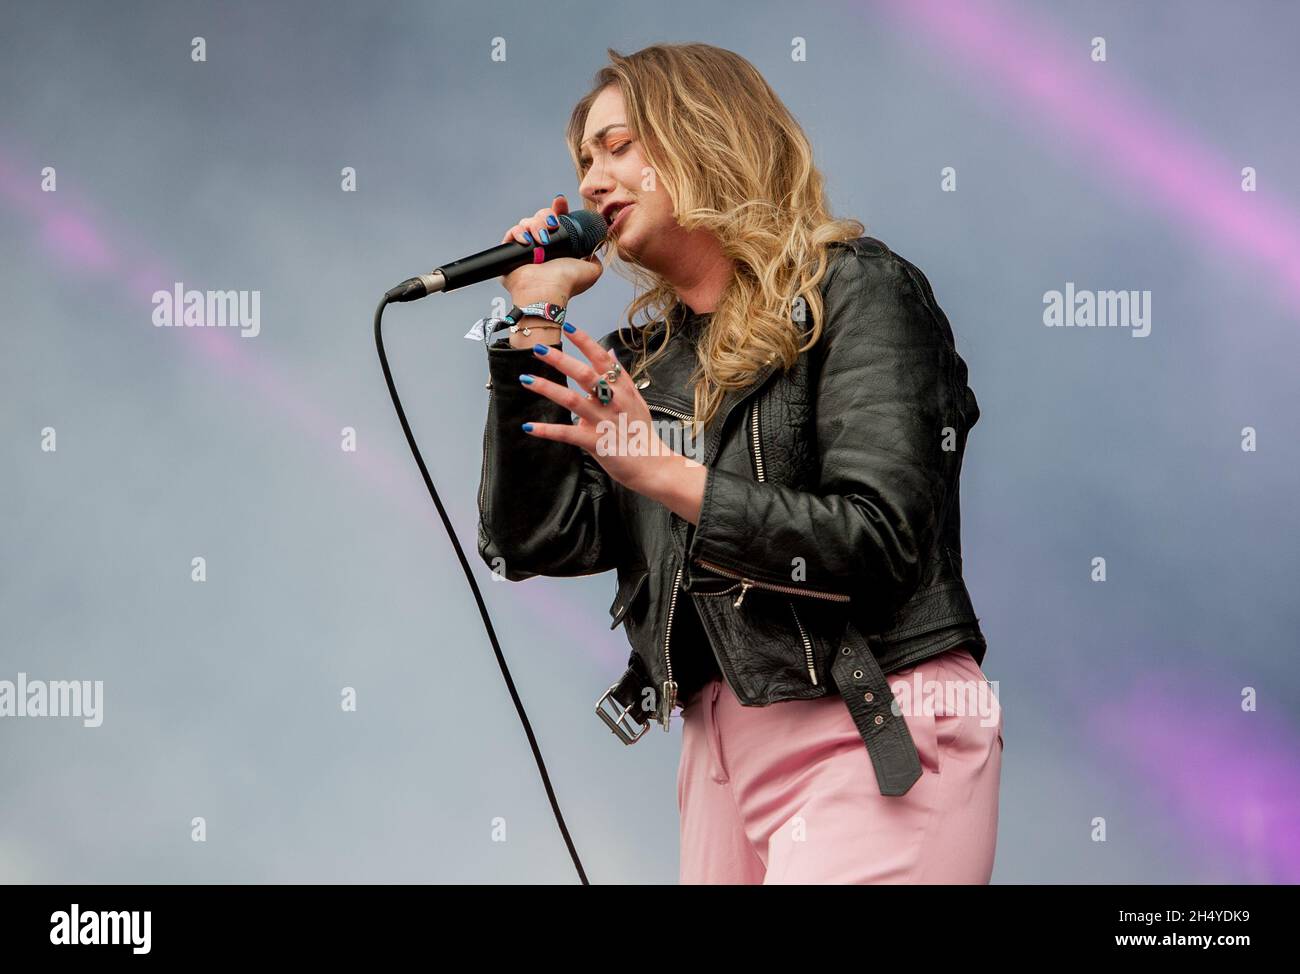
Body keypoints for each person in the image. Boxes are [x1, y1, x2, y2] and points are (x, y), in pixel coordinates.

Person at [475, 42, 1002, 884]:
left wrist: (660, 471)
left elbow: (879, 538)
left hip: (870, 713)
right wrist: (532, 325)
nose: (592, 183)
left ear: (703, 134)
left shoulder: (857, 292)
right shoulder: (642, 364)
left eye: (619, 146)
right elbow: (529, 540)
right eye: (584, 162)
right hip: (718, 750)